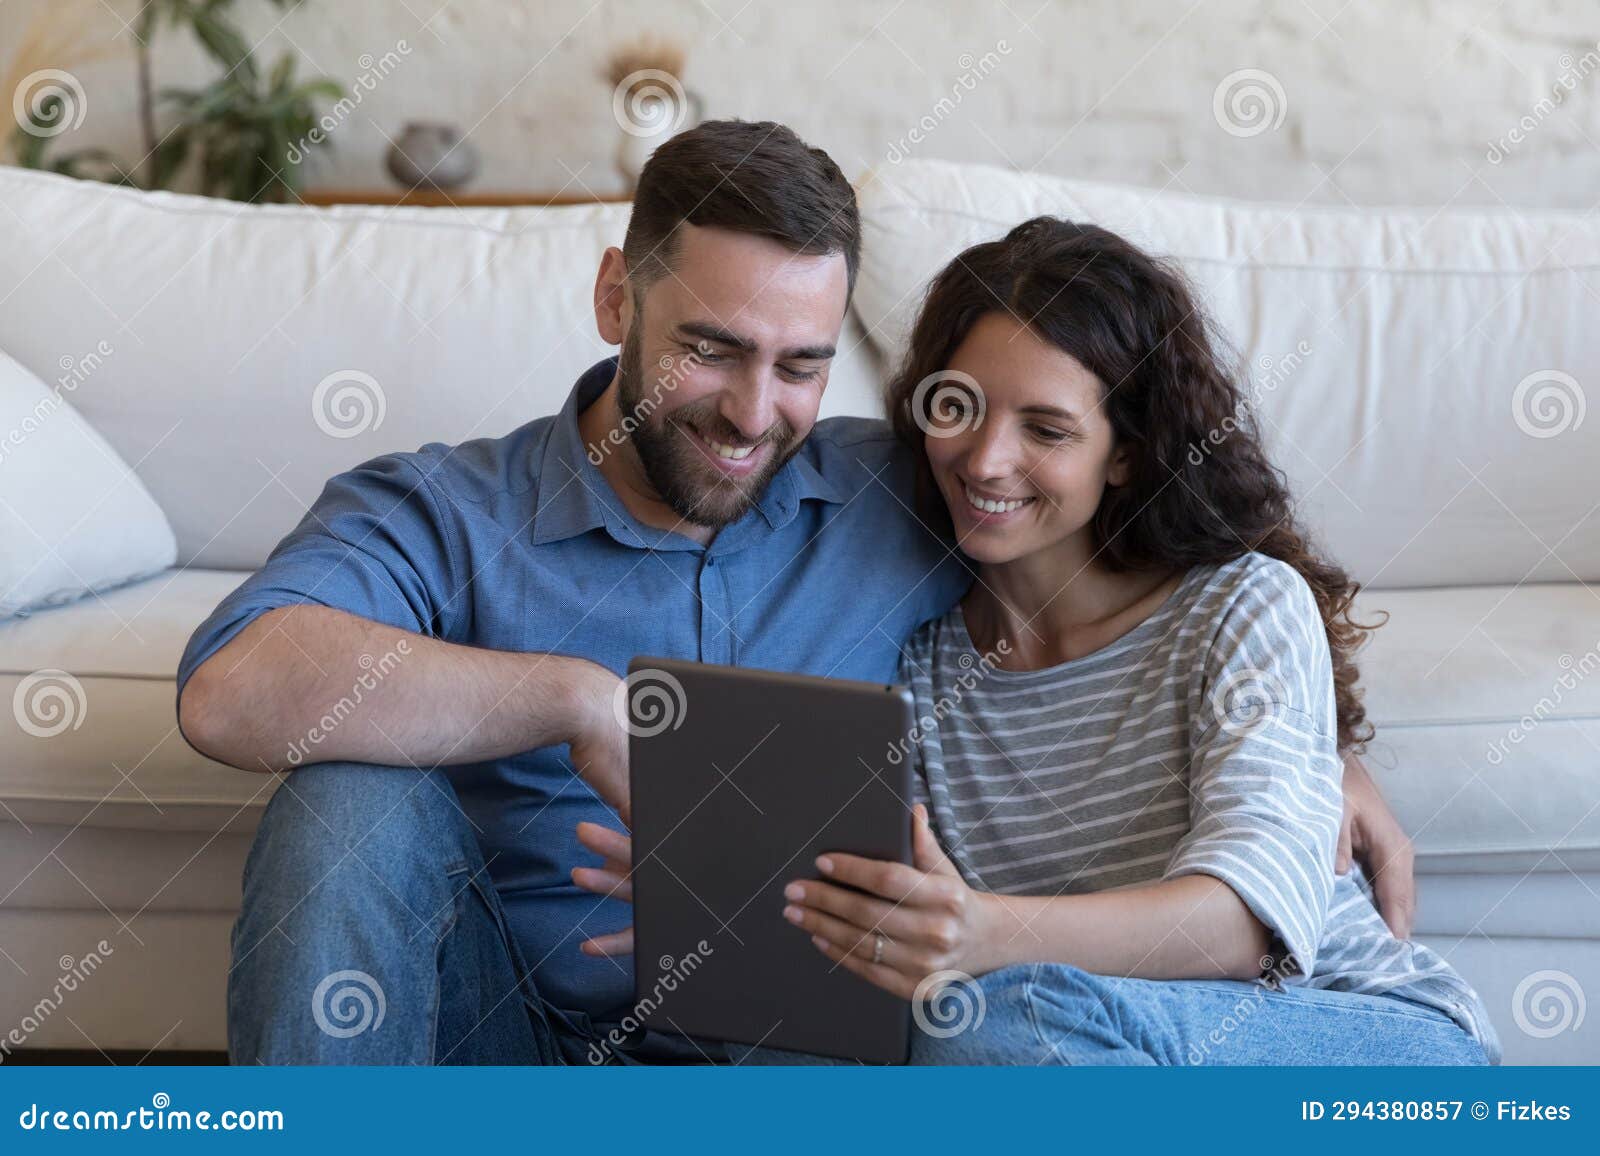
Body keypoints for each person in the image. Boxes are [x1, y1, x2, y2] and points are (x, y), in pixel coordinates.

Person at [177, 120, 1416, 1064]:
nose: (751, 412)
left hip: (805, 1052)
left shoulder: (907, 492)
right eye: (710, 349)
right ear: (618, 299)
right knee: (346, 798)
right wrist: (574, 701)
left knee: (994, 1031)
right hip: (523, 1035)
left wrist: (1322, 756)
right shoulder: (446, 511)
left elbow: (1143, 553)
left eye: (801, 365)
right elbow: (234, 696)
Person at [708, 218, 1498, 1064]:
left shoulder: (1243, 606)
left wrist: (983, 934)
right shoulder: (920, 665)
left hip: (1361, 1040)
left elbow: (1243, 929)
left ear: (1124, 454)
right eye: (959, 409)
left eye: (1046, 430)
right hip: (1084, 1051)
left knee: (1008, 1017)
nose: (984, 461)